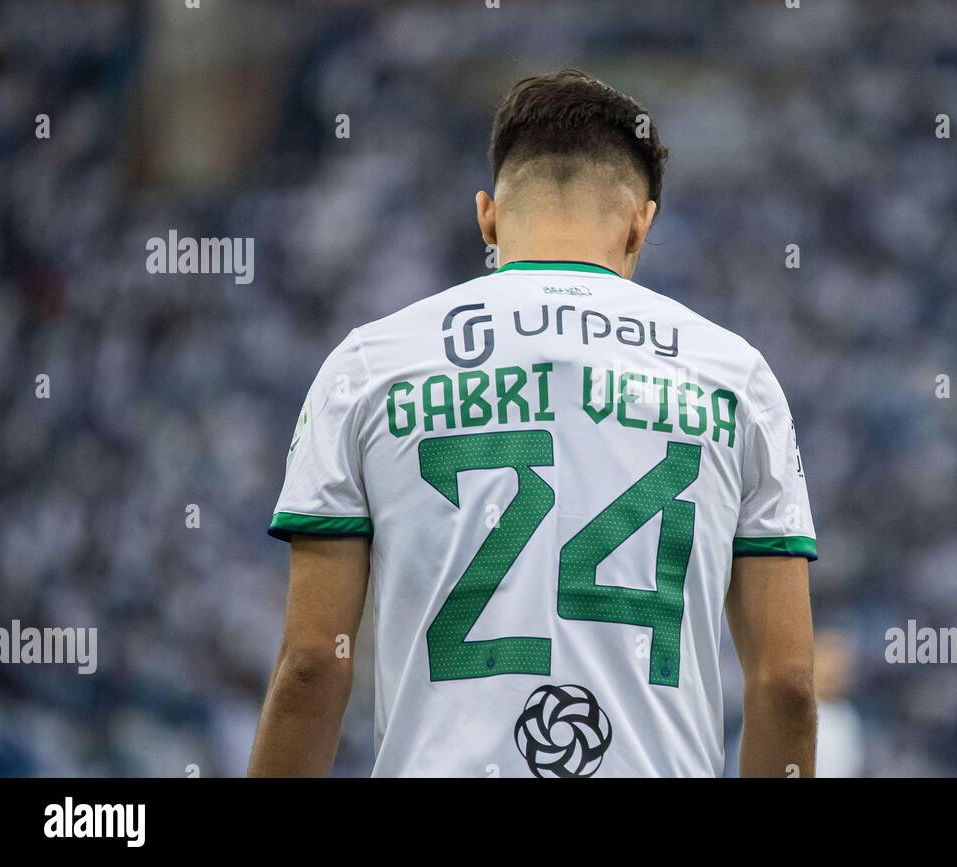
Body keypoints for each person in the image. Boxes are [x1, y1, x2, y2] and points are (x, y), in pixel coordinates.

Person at [248, 70, 818, 778]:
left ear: (487, 216)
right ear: (641, 223)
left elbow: (311, 665)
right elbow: (788, 685)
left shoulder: (367, 366)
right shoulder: (738, 378)